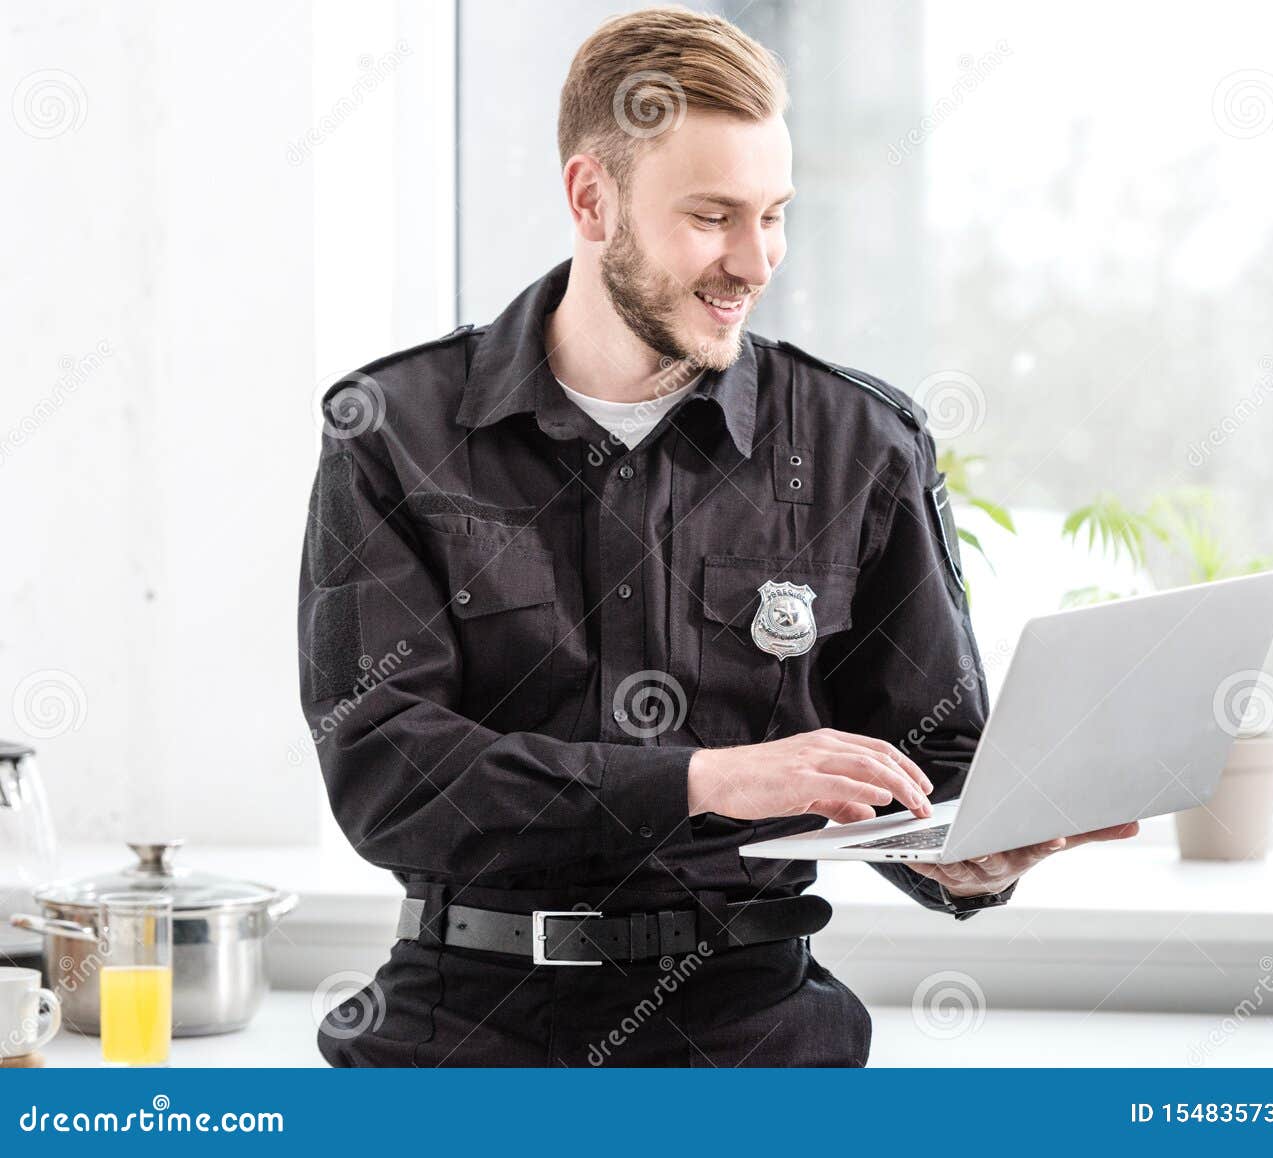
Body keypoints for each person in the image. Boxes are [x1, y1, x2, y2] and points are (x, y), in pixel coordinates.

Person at [297, 5, 1137, 1068]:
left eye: (775, 214)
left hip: (762, 1045)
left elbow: (931, 764)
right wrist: (703, 781)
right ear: (591, 198)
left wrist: (970, 861)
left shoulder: (857, 443)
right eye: (713, 217)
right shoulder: (394, 431)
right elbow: (388, 776)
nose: (756, 261)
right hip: (458, 1040)